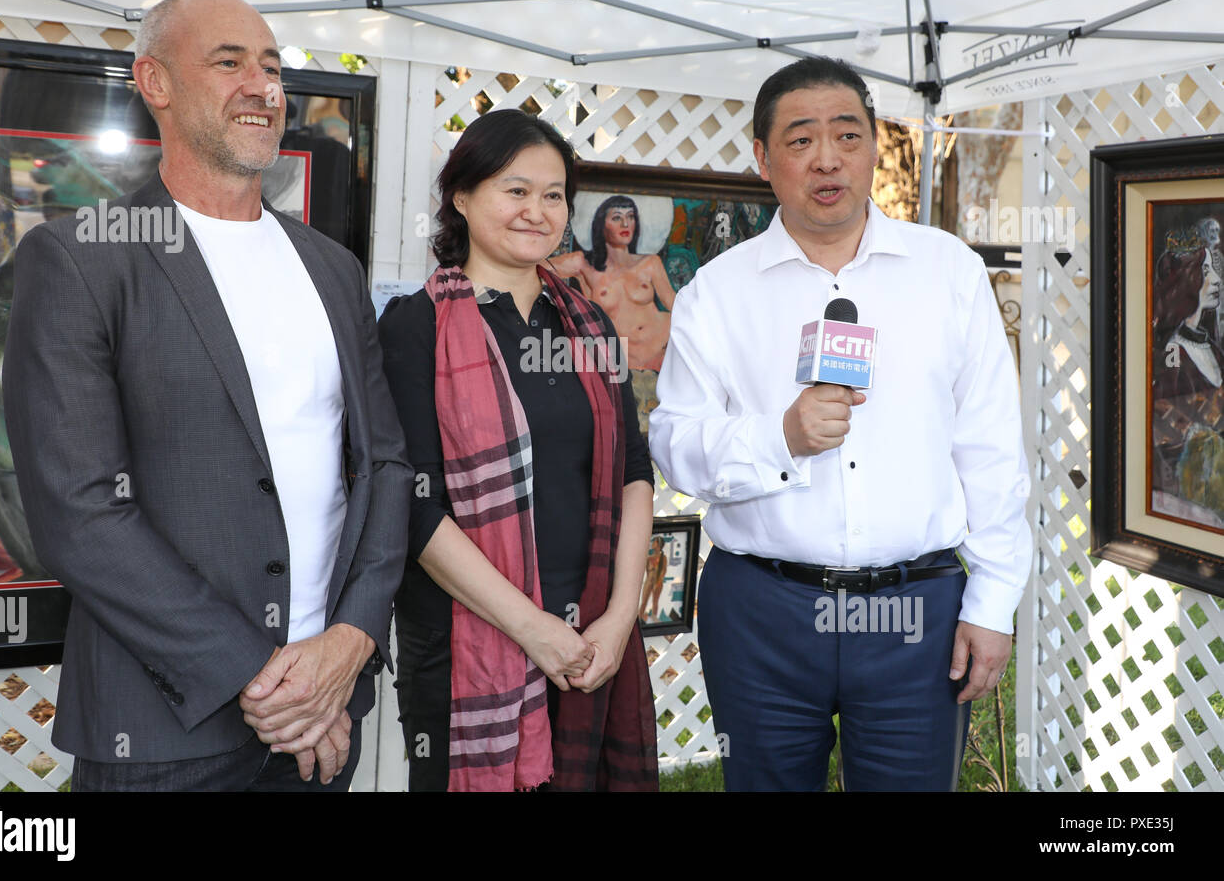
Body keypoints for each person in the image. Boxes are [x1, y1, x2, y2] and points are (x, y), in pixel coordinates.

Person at [2, 0, 411, 791]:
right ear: (154, 82)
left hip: (325, 716)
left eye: (272, 68)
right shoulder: (81, 259)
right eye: (229, 63)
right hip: (163, 731)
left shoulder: (332, 268)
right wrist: (261, 680)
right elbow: (80, 514)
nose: (262, 87)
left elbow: (388, 468)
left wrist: (351, 642)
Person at [649, 56, 1032, 791]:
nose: (827, 158)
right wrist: (780, 439)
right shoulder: (716, 293)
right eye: (800, 140)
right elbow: (675, 445)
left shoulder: (947, 271)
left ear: (874, 147)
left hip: (915, 611)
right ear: (762, 158)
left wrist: (992, 602)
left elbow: (989, 449)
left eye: (847, 135)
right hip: (762, 612)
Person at [378, 109, 658, 791]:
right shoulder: (416, 326)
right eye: (516, 190)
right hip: (468, 641)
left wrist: (620, 616)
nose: (537, 211)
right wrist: (534, 630)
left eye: (554, 194)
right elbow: (415, 506)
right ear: (462, 197)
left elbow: (632, 470)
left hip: (593, 633)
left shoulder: (589, 324)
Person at [549, 195, 676, 371]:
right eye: (617, 217)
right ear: (601, 223)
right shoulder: (584, 264)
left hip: (661, 352)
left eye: (630, 217)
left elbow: (676, 305)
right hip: (620, 361)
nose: (625, 224)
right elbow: (533, 268)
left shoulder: (650, 263)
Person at [1150, 217, 1224, 519]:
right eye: (1205, 272)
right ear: (1187, 282)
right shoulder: (1173, 354)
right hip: (1191, 497)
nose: (1216, 280)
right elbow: (1164, 428)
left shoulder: (1213, 349)